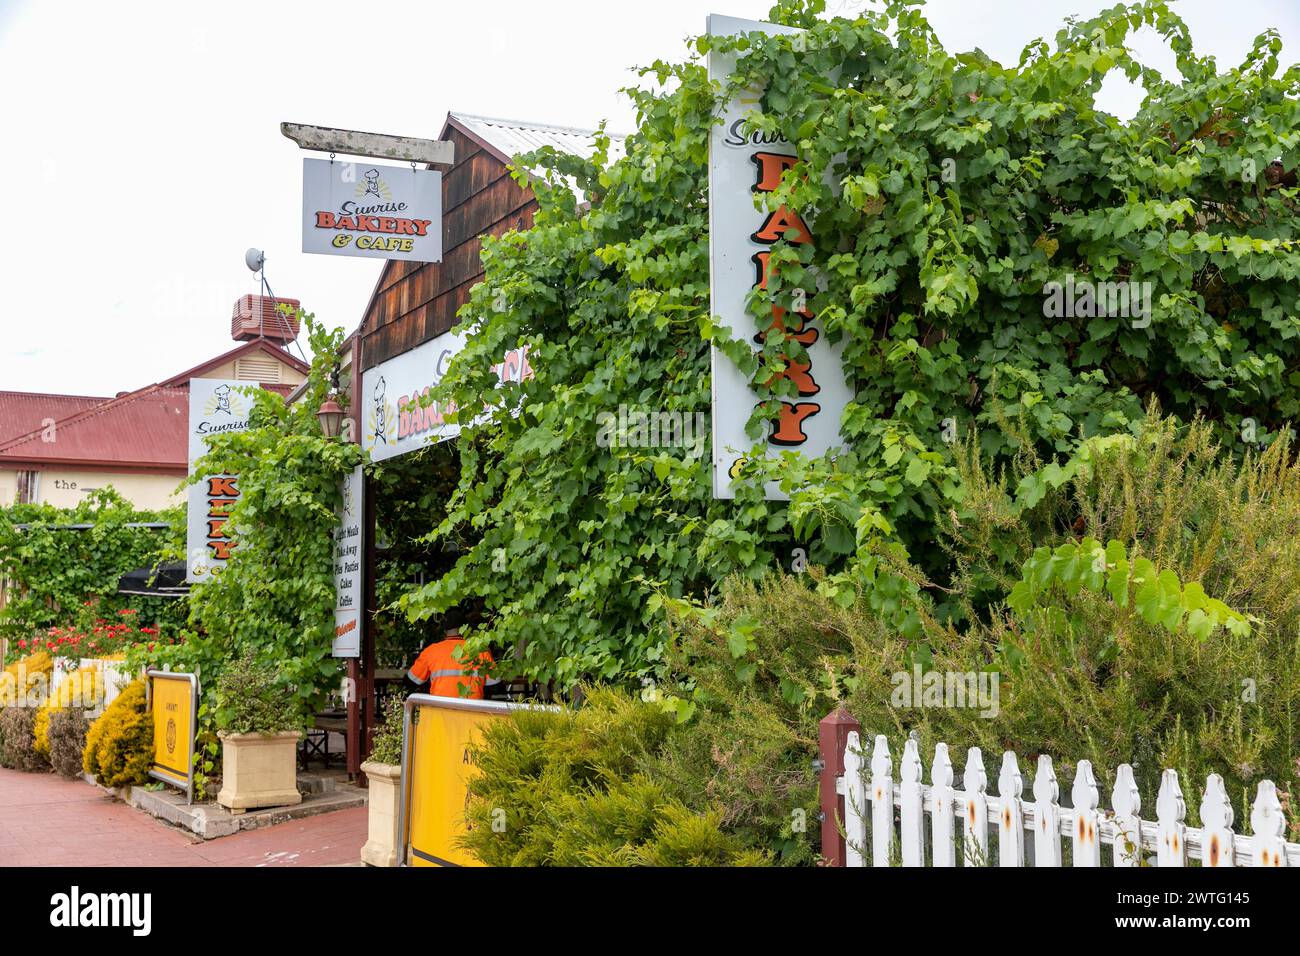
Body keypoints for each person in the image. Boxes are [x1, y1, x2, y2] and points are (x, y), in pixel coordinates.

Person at [405, 614, 497, 700]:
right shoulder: (481, 650)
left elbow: (412, 681)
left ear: (444, 630)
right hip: (472, 712)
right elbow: (495, 685)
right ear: (466, 629)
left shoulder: (431, 651)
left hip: (440, 712)